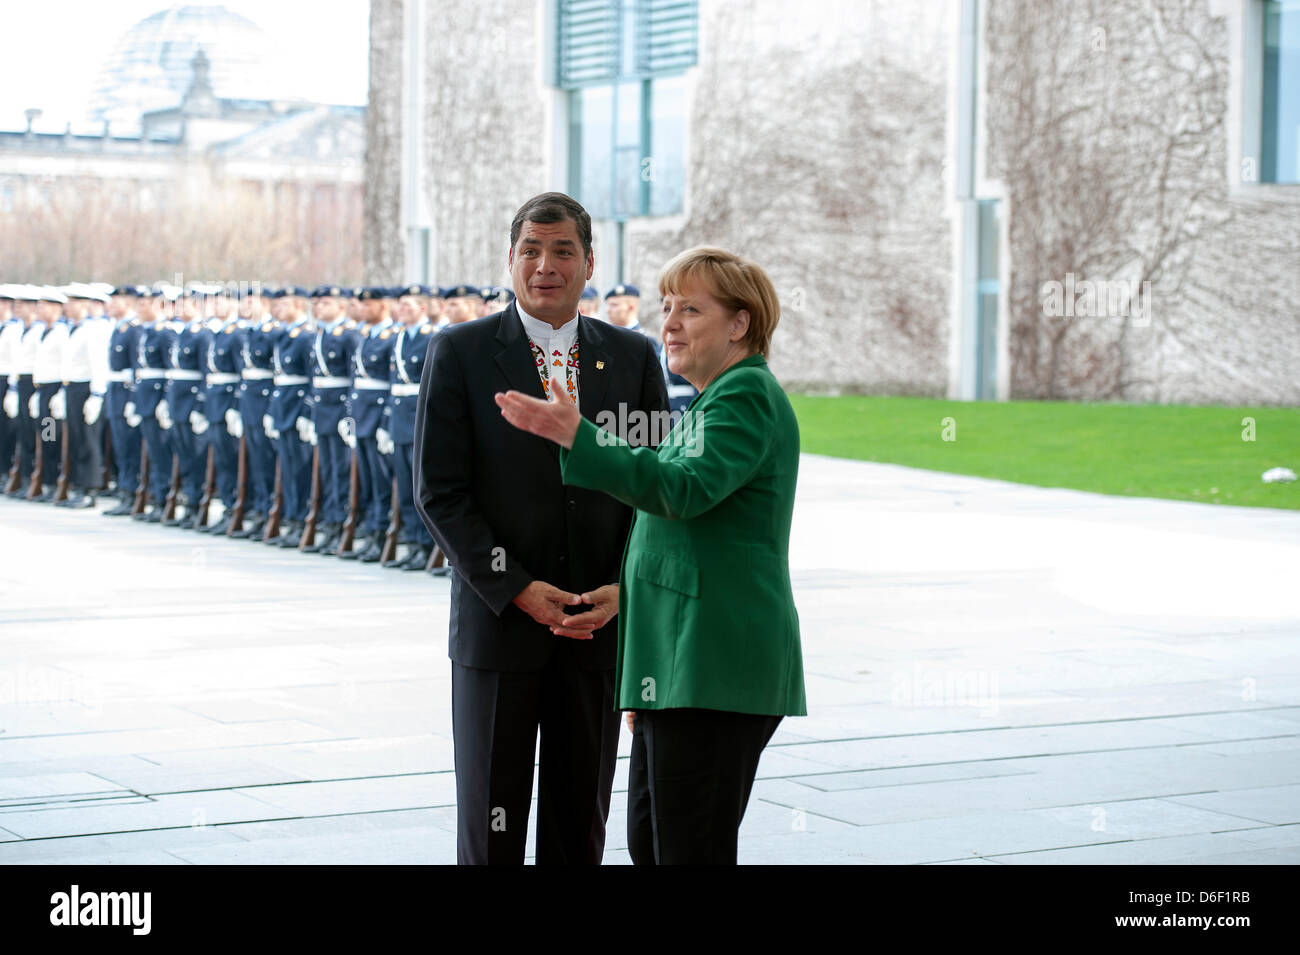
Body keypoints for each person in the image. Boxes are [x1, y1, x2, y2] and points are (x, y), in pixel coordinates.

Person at [495, 245, 807, 865]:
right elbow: (668, 544)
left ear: (740, 323)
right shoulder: (714, 401)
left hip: (716, 672)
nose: (668, 324)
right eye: (666, 307)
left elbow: (680, 492)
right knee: (655, 844)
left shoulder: (744, 399)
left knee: (686, 849)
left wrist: (578, 434)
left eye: (690, 309)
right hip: (683, 669)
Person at [413, 192, 669, 864]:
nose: (545, 264)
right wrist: (520, 586)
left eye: (562, 250)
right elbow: (439, 492)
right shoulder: (461, 352)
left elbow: (656, 485)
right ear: (510, 258)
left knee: (576, 826)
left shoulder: (634, 358)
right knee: (491, 828)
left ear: (590, 263)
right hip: (500, 628)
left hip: (598, 629)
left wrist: (625, 590)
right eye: (531, 248)